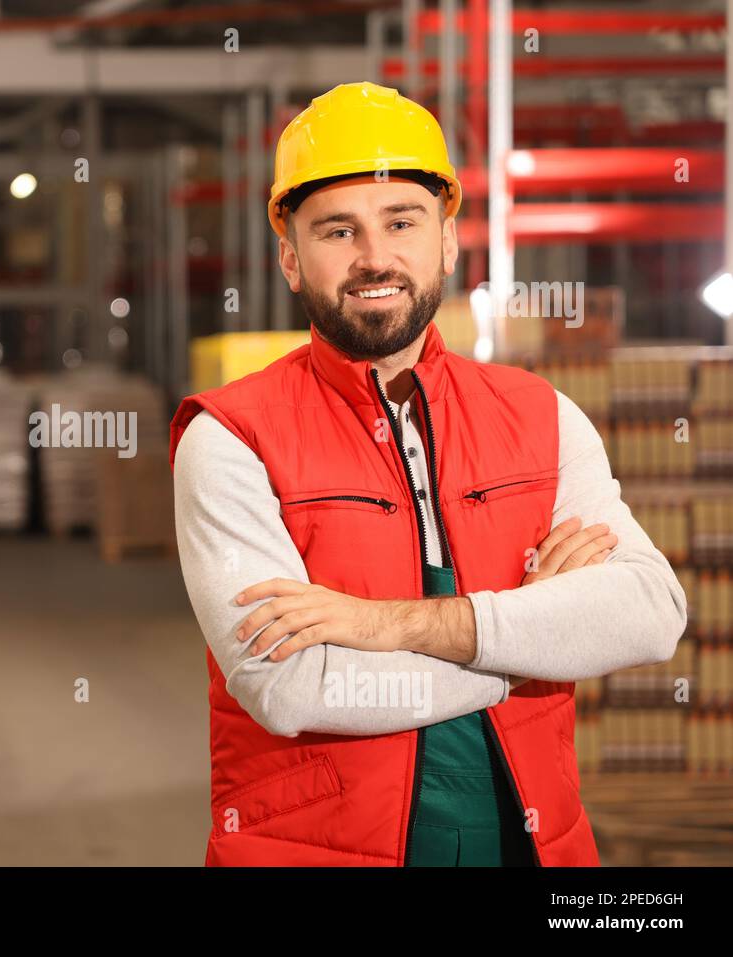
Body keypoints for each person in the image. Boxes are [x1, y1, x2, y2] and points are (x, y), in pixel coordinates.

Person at [168, 81, 687, 867]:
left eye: (401, 222)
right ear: (290, 258)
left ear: (447, 241)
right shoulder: (231, 437)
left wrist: (380, 624)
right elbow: (293, 688)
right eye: (337, 230)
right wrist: (531, 639)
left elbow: (649, 613)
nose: (374, 257)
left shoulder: (539, 416)